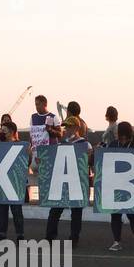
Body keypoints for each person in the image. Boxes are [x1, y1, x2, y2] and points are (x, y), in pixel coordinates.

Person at [45, 101, 88, 245]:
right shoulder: (61, 143)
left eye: (69, 127)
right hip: (62, 181)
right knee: (55, 209)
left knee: (76, 212)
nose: (66, 130)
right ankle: (50, 237)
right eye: (66, 127)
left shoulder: (84, 144)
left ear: (76, 127)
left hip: (76, 181)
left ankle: (74, 238)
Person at [105, 122, 134, 252]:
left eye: (119, 132)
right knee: (115, 215)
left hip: (130, 186)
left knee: (133, 214)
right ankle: (116, 241)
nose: (117, 134)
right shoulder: (113, 145)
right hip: (115, 185)